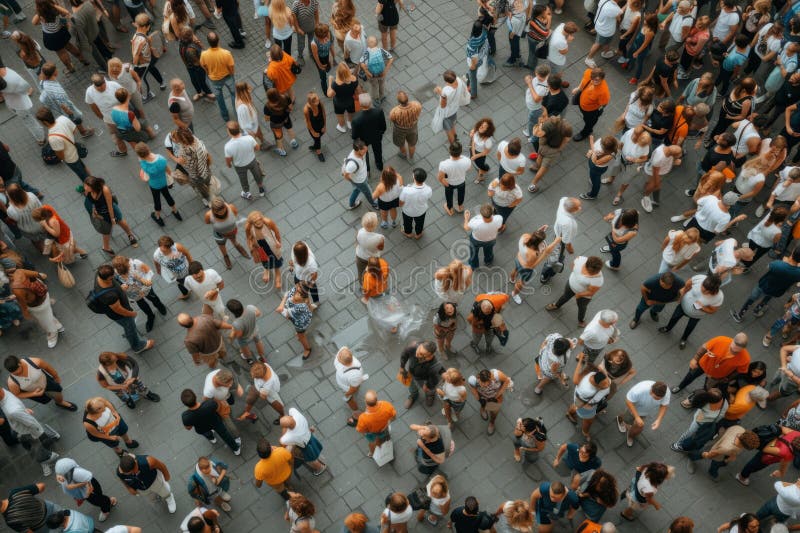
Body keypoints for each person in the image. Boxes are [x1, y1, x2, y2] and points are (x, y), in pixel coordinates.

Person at [90, 264, 154, 354]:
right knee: (130, 328)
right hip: (121, 315)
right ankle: (137, 346)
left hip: (117, 310)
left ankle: (129, 332)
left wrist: (120, 288)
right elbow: (119, 310)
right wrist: (132, 314)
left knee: (128, 326)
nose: (114, 278)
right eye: (112, 277)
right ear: (107, 278)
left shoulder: (99, 274)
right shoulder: (109, 296)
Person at [0, 387, 60, 475]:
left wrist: (38, 435)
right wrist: (23, 411)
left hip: (26, 431)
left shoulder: (12, 411)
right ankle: (51, 435)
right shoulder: (4, 392)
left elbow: (33, 424)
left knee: (34, 447)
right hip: (19, 422)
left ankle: (47, 458)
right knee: (29, 433)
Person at [671, 333, 751, 395]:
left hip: (717, 376)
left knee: (707, 387)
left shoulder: (745, 358)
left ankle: (700, 396)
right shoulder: (720, 340)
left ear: (743, 348)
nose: (732, 352)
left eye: (736, 352)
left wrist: (726, 379)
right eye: (732, 348)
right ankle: (680, 386)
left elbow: (739, 372)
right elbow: (704, 347)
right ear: (732, 340)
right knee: (690, 376)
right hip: (703, 364)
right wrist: (695, 359)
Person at [659, 273, 724, 349]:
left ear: (714, 290)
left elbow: (712, 311)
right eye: (703, 286)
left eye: (707, 291)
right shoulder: (700, 278)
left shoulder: (719, 297)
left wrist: (701, 308)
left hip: (696, 315)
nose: (703, 290)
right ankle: (668, 328)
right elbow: (687, 285)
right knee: (674, 317)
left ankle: (684, 339)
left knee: (690, 327)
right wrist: (681, 296)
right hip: (682, 306)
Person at [8, 265, 63, 349]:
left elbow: (24, 307)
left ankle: (53, 334)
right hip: (43, 295)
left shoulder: (16, 289)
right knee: (47, 315)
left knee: (44, 323)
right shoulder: (19, 271)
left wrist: (26, 314)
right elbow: (40, 275)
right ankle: (58, 325)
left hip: (37, 306)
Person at [546, 255, 604, 326]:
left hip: (583, 296)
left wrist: (579, 294)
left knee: (582, 307)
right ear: (586, 264)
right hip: (570, 285)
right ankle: (556, 305)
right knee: (565, 296)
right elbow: (572, 267)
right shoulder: (580, 259)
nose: (594, 274)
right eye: (591, 272)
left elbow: (591, 292)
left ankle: (581, 320)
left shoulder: (598, 280)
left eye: (596, 272)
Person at [54, 458, 116, 523]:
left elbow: (88, 479)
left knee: (98, 500)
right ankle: (108, 502)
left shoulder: (76, 473)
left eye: (60, 474)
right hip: (85, 491)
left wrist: (87, 490)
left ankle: (107, 507)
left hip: (90, 490)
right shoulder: (66, 473)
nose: (59, 477)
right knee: (97, 499)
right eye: (58, 474)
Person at [4, 355, 77, 411]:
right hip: (34, 392)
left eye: (19, 372)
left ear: (20, 363)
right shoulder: (12, 383)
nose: (18, 375)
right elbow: (17, 394)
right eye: (15, 374)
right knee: (46, 400)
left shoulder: (34, 362)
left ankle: (60, 402)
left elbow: (48, 367)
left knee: (58, 394)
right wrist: (33, 394)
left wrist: (56, 376)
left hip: (47, 383)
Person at [181, 389, 242, 454]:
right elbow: (218, 409)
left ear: (185, 404)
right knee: (225, 435)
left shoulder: (186, 416)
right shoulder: (209, 403)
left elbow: (188, 428)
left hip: (202, 428)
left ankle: (212, 438)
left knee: (206, 433)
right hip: (216, 423)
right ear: (195, 396)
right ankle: (236, 449)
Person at [135, 142, 181, 227]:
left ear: (140, 156)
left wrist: (141, 158)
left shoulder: (144, 165)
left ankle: (157, 217)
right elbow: (167, 170)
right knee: (168, 196)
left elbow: (143, 165)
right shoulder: (161, 159)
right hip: (163, 182)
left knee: (157, 201)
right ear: (148, 149)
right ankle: (175, 211)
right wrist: (172, 175)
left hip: (154, 185)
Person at [566, 356, 611, 440]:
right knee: (589, 420)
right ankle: (585, 432)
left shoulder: (592, 374)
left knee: (575, 405)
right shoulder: (587, 391)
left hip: (578, 396)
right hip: (583, 402)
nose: (607, 385)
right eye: (604, 386)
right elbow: (587, 405)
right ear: (597, 385)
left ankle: (569, 413)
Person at [510, 229, 560, 304]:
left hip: (518, 258)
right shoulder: (533, 254)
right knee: (521, 282)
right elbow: (533, 265)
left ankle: (512, 279)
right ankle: (514, 294)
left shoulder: (525, 236)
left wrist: (539, 231)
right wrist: (544, 254)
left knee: (515, 269)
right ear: (539, 242)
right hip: (525, 268)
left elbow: (532, 238)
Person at [616, 380, 670, 447]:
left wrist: (659, 420)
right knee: (626, 419)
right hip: (634, 408)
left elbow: (664, 405)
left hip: (645, 411)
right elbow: (628, 401)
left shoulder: (666, 393)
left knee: (639, 426)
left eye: (658, 399)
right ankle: (620, 420)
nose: (656, 400)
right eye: (655, 397)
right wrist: (637, 417)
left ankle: (631, 436)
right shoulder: (639, 390)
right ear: (651, 390)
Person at [224, 121, 266, 200]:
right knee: (257, 173)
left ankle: (247, 192)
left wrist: (229, 165)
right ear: (239, 129)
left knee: (243, 179)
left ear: (229, 133)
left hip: (239, 166)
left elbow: (228, 160)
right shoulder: (249, 138)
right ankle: (260, 188)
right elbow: (257, 148)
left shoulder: (228, 146)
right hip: (252, 161)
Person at [199, 32, 236, 121]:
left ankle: (225, 116)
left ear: (208, 42)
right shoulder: (226, 53)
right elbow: (231, 67)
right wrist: (231, 74)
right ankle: (237, 112)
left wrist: (208, 72)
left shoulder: (204, 54)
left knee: (219, 99)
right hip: (227, 77)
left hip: (214, 80)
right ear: (218, 40)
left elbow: (203, 66)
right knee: (234, 94)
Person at [279, 408, 326, 475]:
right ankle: (318, 457)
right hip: (309, 435)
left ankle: (320, 468)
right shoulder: (297, 416)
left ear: (287, 427)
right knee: (315, 449)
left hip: (306, 446)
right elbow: (291, 410)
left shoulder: (290, 436)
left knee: (312, 459)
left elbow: (282, 441)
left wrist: (284, 428)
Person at [399, 340, 444, 408]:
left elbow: (434, 378)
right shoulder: (413, 346)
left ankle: (430, 395)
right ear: (420, 345)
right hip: (411, 373)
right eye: (419, 350)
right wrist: (402, 367)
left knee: (429, 390)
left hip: (425, 379)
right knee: (411, 387)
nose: (417, 355)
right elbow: (404, 354)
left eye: (422, 355)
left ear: (430, 356)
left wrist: (426, 385)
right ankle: (413, 396)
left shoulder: (434, 364)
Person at [130, 14, 165, 100]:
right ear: (147, 27)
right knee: (151, 70)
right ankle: (161, 82)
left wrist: (132, 67)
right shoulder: (142, 38)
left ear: (137, 25)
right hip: (147, 60)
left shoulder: (139, 36)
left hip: (143, 63)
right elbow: (137, 55)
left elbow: (136, 55)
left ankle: (146, 96)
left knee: (141, 79)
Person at [468, 368, 511, 436]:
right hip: (483, 396)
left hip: (494, 397)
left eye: (486, 383)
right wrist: (478, 398)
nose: (483, 385)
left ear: (490, 379)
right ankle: (483, 409)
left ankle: (492, 422)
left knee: (494, 412)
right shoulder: (474, 380)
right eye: (482, 383)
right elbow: (472, 386)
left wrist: (498, 395)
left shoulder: (498, 375)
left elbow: (507, 380)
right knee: (483, 404)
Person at [351, 94, 386, 174]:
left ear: (360, 104)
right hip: (376, 137)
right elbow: (383, 126)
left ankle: (367, 170)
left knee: (364, 155)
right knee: (378, 151)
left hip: (363, 140)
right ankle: (379, 165)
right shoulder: (379, 112)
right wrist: (380, 133)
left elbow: (354, 136)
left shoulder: (356, 119)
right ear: (370, 103)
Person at [276, 283, 313, 359]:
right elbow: (288, 293)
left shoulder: (300, 307)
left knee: (301, 336)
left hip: (300, 323)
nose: (296, 293)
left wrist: (283, 303)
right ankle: (302, 334)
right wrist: (283, 303)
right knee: (300, 333)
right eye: (297, 289)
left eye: (299, 294)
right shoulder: (295, 290)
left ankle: (307, 349)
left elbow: (285, 314)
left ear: (304, 298)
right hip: (301, 317)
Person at [573, 68, 611, 141]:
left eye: (596, 80)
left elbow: (604, 104)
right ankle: (587, 120)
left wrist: (597, 112)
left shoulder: (603, 92)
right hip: (582, 105)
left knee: (590, 122)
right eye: (592, 78)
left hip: (591, 110)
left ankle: (585, 132)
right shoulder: (588, 72)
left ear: (602, 79)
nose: (593, 81)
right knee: (585, 118)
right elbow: (584, 80)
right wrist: (578, 88)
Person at [153, 235, 193, 299]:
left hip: (186, 269)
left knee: (190, 279)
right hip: (176, 275)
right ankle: (186, 293)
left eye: (168, 248)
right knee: (181, 283)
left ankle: (191, 287)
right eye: (162, 248)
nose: (165, 250)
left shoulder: (177, 247)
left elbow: (187, 253)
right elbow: (156, 262)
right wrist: (158, 270)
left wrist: (192, 264)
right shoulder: (157, 255)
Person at [463, 203, 502, 269]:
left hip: (476, 240)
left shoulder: (475, 222)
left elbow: (466, 227)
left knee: (474, 252)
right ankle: (488, 260)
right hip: (491, 239)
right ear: (492, 212)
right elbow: (499, 227)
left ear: (481, 214)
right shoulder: (499, 218)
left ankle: (474, 265)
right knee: (489, 250)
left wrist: (466, 218)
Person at [342, 139, 377, 211]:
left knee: (357, 190)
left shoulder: (360, 152)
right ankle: (374, 204)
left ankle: (351, 204)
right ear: (358, 150)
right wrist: (354, 182)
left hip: (362, 177)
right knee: (367, 193)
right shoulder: (352, 165)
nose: (366, 150)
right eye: (364, 150)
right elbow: (346, 175)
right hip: (360, 181)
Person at [581, 135, 618, 200]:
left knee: (596, 180)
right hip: (594, 165)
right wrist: (592, 150)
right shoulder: (601, 141)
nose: (600, 146)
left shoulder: (610, 155)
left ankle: (593, 195)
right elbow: (594, 147)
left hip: (598, 168)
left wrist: (593, 152)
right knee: (592, 176)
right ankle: (593, 181)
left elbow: (596, 162)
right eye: (601, 144)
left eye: (602, 147)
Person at [438, 141, 470, 216]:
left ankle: (450, 209)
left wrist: (444, 182)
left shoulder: (444, 164)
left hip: (449, 183)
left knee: (449, 195)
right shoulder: (466, 160)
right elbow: (468, 169)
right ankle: (460, 206)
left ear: (449, 151)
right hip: (461, 181)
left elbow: (440, 177)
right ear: (461, 151)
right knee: (461, 193)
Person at [389, 91, 421, 163]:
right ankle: (411, 156)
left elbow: (392, 119)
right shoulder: (416, 105)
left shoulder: (395, 111)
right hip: (412, 127)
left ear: (398, 101)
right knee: (412, 144)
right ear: (408, 98)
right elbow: (418, 113)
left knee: (401, 143)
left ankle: (403, 154)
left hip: (399, 130)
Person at [399, 168, 432, 239]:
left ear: (414, 177)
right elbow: (428, 198)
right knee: (420, 223)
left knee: (407, 223)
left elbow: (401, 202)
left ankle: (408, 233)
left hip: (408, 212)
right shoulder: (428, 189)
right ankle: (418, 234)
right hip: (421, 211)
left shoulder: (406, 190)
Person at [327, 62, 360, 133]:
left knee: (340, 115)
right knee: (351, 113)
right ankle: (350, 123)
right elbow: (358, 91)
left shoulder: (335, 84)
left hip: (339, 103)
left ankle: (342, 127)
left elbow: (329, 95)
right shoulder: (354, 79)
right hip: (350, 101)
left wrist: (330, 82)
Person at [359, 36, 393, 104]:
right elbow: (391, 58)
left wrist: (367, 72)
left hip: (372, 74)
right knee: (382, 84)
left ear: (367, 44)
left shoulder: (367, 53)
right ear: (377, 43)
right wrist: (385, 70)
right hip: (382, 72)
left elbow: (361, 63)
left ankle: (376, 99)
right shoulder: (381, 50)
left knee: (374, 86)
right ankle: (382, 96)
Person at [303, 91, 326, 162]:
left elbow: (323, 114)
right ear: (311, 102)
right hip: (313, 127)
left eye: (318, 99)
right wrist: (312, 132)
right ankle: (318, 152)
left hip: (321, 124)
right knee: (317, 138)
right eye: (315, 101)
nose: (318, 102)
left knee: (318, 138)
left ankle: (315, 147)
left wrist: (324, 126)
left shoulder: (320, 104)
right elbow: (308, 122)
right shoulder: (306, 110)